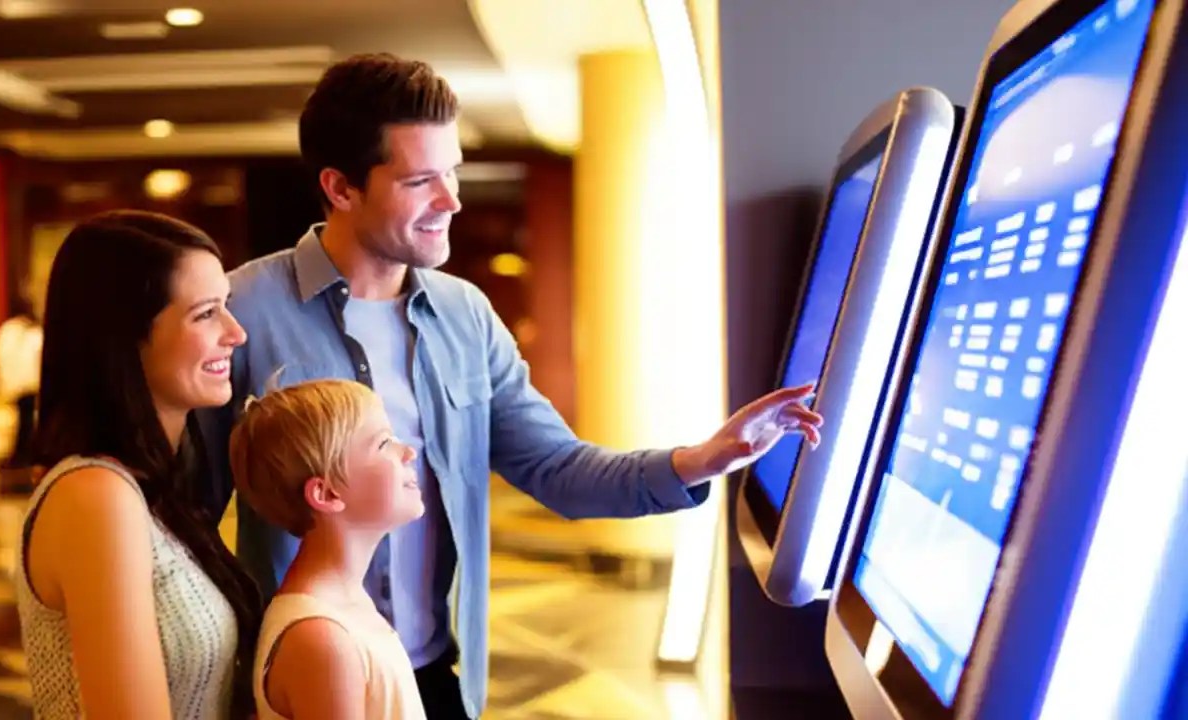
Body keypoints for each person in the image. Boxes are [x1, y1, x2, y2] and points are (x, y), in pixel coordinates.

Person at [198, 53, 823, 719]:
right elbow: (187, 514)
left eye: (453, 172)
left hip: (440, 677)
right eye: (420, 181)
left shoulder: (466, 317)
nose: (452, 200)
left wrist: (698, 460)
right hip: (304, 679)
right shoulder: (241, 311)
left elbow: (554, 465)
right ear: (341, 188)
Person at [15, 210, 261, 719]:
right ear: (125, 339)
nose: (235, 333)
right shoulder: (95, 495)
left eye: (227, 307)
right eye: (205, 314)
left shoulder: (154, 485)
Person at [230, 379, 427, 720]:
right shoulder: (321, 638)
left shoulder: (345, 605)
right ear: (327, 494)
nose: (408, 451)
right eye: (383, 444)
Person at [0, 290, 42, 474]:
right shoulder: (28, 331)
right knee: (25, 421)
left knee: (25, 422)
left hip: (22, 384)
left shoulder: (12, 330)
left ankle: (22, 454)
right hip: (28, 384)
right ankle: (23, 453)